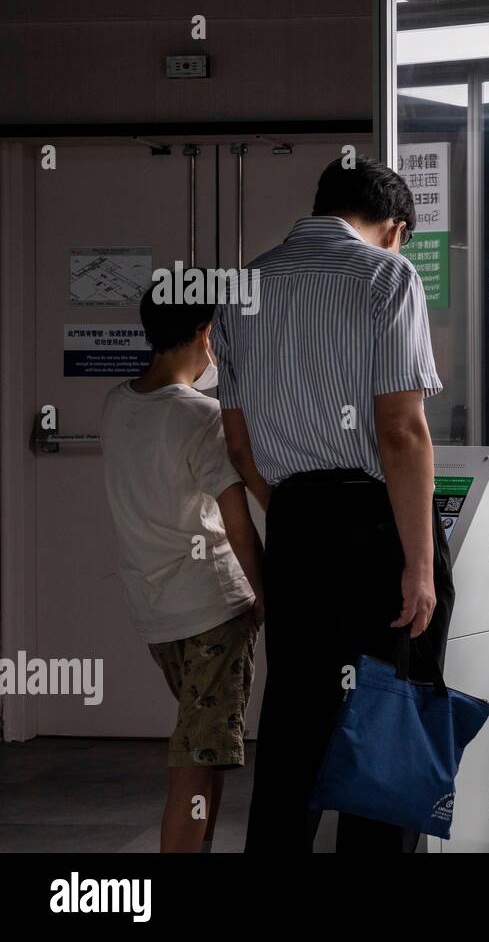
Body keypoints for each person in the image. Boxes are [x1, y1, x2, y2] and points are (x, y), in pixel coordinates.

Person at [211, 155, 453, 853]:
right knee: (389, 714)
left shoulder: (243, 286)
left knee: (296, 719)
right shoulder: (387, 274)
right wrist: (417, 563)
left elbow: (238, 443)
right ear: (395, 228)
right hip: (375, 525)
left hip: (294, 523)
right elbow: (401, 432)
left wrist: (293, 504)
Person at [100, 284, 265, 853]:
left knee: (207, 750)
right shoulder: (202, 417)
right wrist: (266, 593)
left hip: (155, 613)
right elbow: (238, 525)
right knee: (196, 761)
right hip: (213, 609)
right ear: (205, 334)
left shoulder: (117, 403)